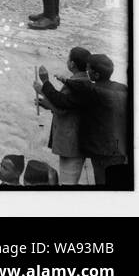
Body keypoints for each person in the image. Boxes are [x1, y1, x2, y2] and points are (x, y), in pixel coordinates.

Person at [37, 53, 128, 186]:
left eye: (89, 69)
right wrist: (65, 80)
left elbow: (62, 101)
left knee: (104, 184)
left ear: (96, 75)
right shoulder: (121, 88)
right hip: (119, 148)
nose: (87, 71)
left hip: (102, 150)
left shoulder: (94, 92)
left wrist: (45, 82)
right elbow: (83, 88)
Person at [35, 46, 91, 185]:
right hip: (73, 141)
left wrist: (44, 85)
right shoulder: (82, 82)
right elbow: (64, 106)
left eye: (68, 58)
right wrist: (46, 101)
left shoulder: (78, 84)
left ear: (72, 63)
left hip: (70, 142)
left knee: (68, 182)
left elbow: (62, 107)